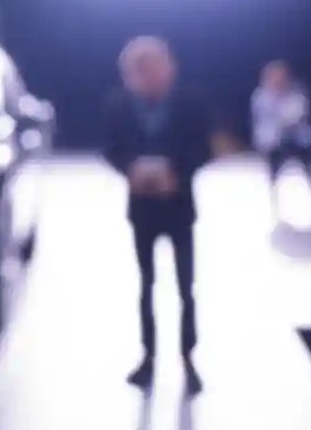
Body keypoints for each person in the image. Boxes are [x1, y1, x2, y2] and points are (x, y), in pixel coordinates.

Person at [103, 36, 212, 395]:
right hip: (142, 208)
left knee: (185, 287)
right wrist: (131, 170)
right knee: (146, 285)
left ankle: (188, 358)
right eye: (139, 71)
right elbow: (110, 149)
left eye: (153, 68)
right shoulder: (119, 105)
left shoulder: (190, 102)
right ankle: (148, 357)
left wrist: (175, 174)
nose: (148, 77)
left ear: (168, 68)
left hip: (178, 207)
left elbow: (204, 148)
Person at [251, 60, 311, 224]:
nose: (277, 78)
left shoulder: (296, 92)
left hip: (297, 139)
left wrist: (286, 120)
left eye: (280, 74)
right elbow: (261, 120)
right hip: (274, 141)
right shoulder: (262, 96)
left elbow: (299, 112)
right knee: (273, 174)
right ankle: (275, 206)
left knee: (308, 171)